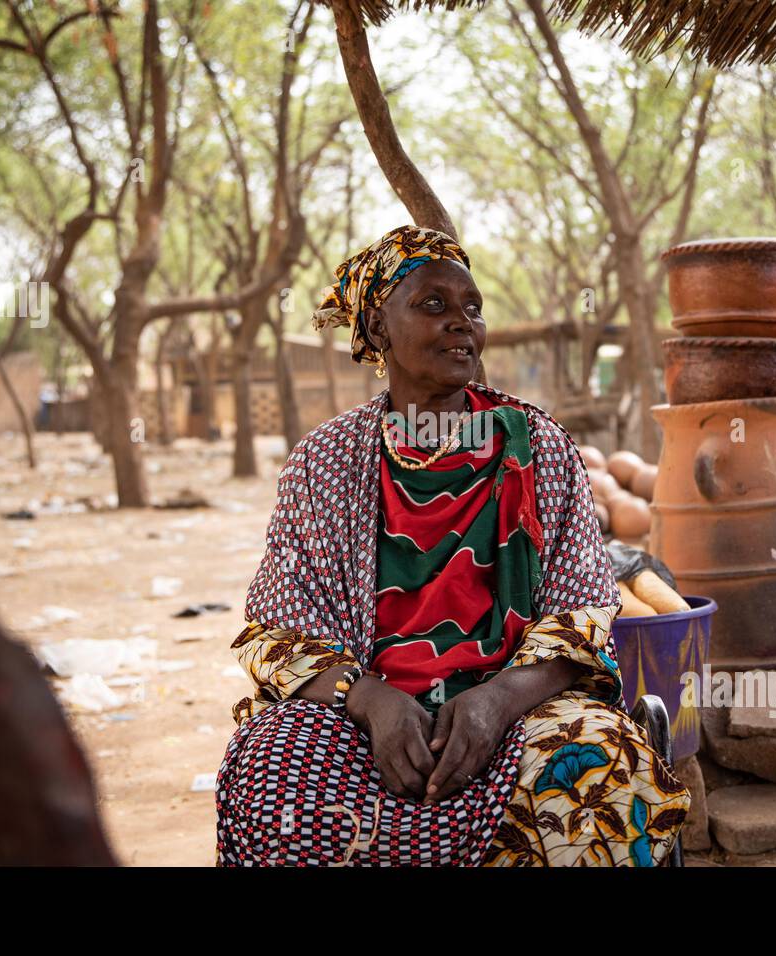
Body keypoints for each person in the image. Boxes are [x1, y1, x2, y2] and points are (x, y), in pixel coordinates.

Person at [215, 224, 689, 866]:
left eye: (473, 308)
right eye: (432, 305)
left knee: (597, 765)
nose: (462, 323)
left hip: (514, 711)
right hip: (366, 718)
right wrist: (373, 702)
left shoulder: (542, 449)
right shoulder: (325, 461)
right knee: (271, 772)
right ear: (380, 330)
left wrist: (495, 701)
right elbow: (278, 627)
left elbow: (580, 618)